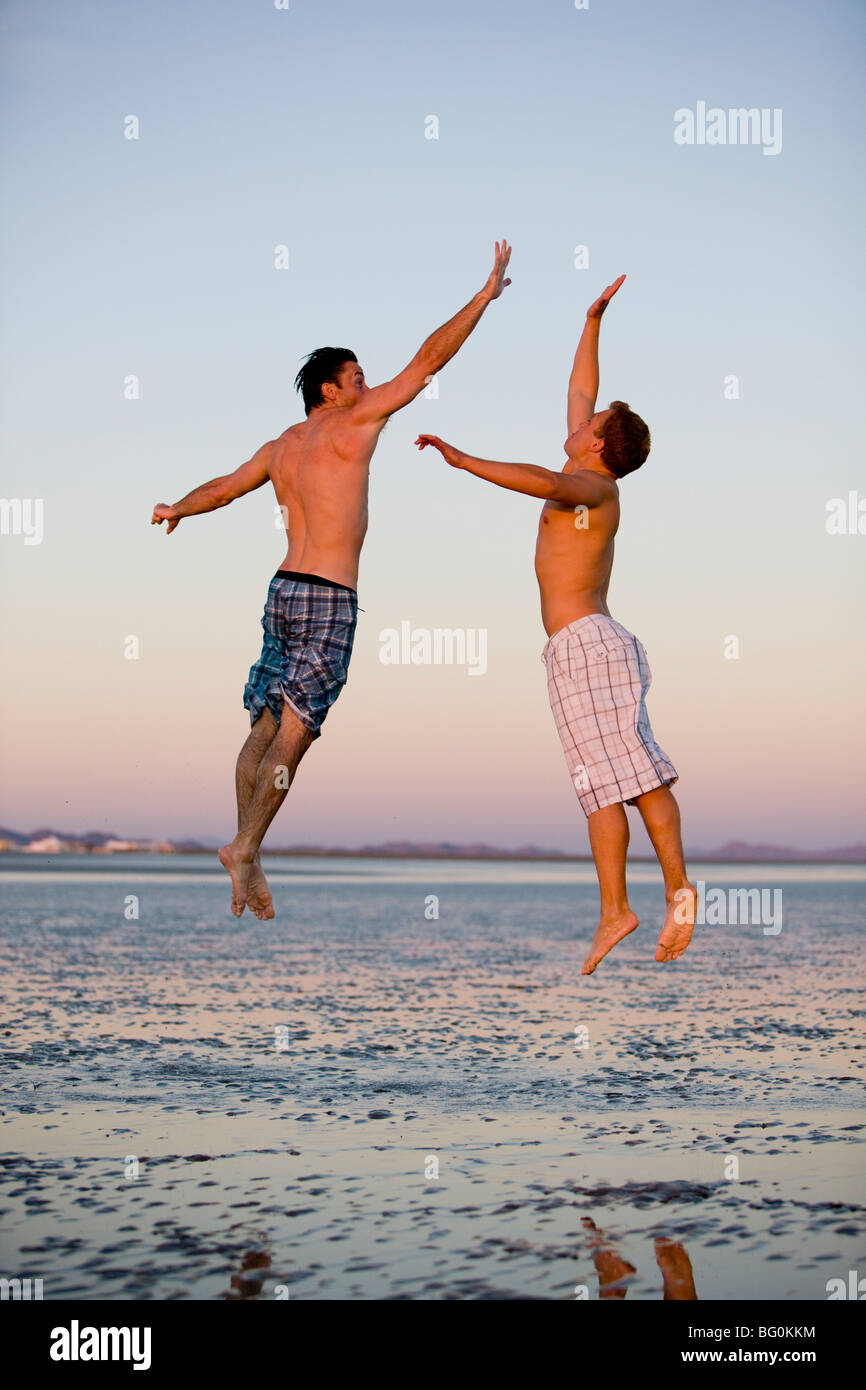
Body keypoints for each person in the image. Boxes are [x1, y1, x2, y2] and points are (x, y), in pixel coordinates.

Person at [152, 241, 512, 918]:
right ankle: (247, 848)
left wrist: (177, 506)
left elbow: (224, 489)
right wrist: (483, 298)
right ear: (332, 389)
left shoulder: (281, 445)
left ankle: (243, 854)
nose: (369, 387)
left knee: (262, 726)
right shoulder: (356, 423)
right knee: (298, 730)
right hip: (328, 598)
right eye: (358, 377)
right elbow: (429, 360)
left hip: (281, 591)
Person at [415, 274, 697, 974]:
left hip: (589, 646)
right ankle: (623, 907)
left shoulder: (591, 488)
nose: (581, 414)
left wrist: (462, 458)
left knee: (632, 778)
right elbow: (579, 387)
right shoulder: (592, 464)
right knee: (608, 784)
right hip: (578, 650)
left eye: (592, 421)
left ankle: (666, 891)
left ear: (598, 446)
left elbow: (545, 482)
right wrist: (593, 318)